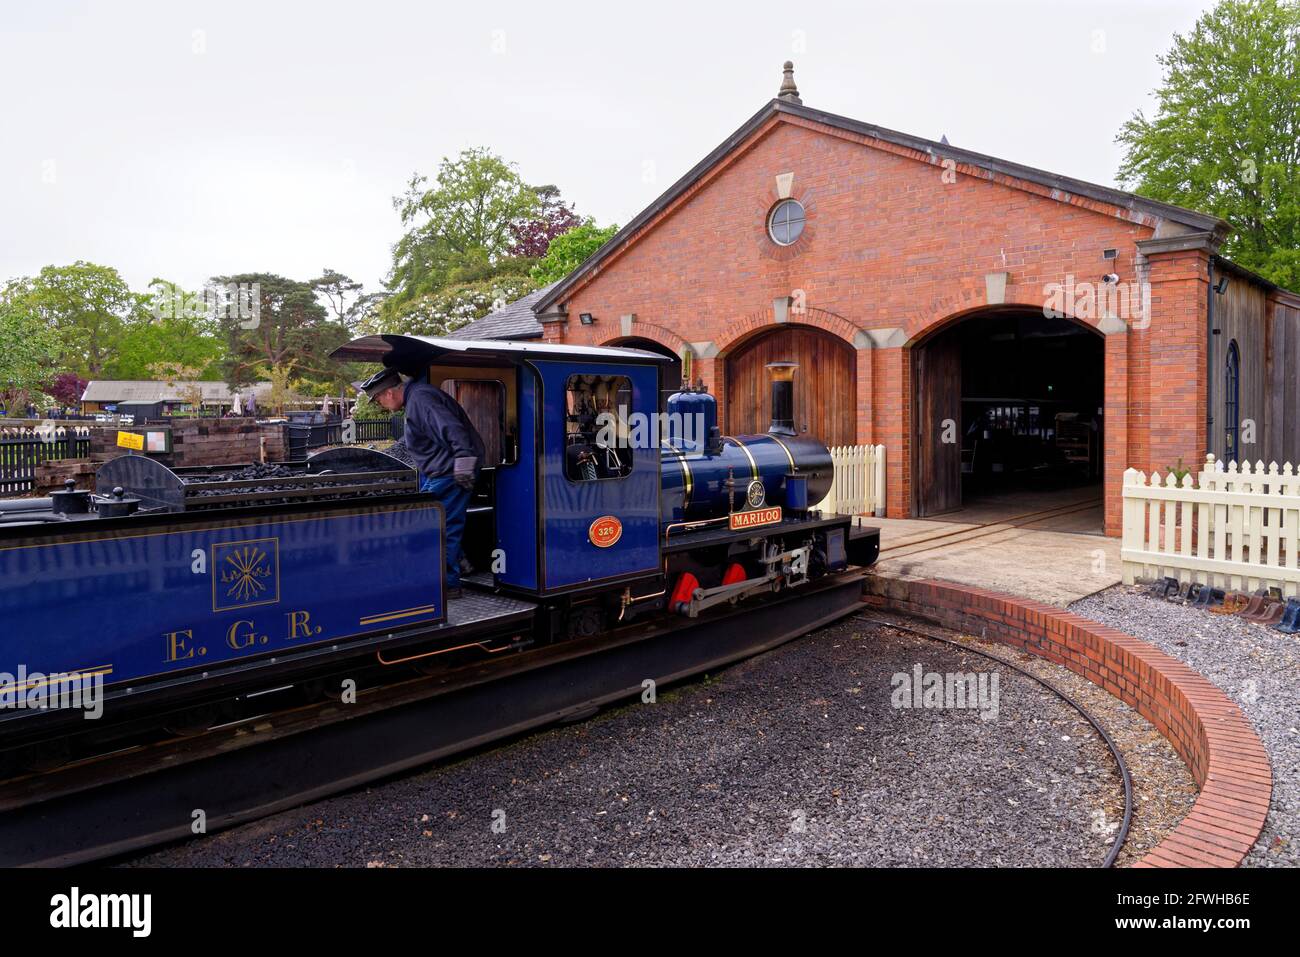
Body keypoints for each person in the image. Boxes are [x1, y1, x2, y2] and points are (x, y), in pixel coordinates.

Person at [354, 368, 484, 599]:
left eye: (378, 401)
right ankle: (457, 563)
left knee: (436, 527)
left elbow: (451, 427)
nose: (380, 406)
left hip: (449, 473)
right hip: (441, 471)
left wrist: (463, 460)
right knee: (436, 523)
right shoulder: (417, 398)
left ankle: (447, 585)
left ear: (389, 394)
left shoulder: (421, 399)